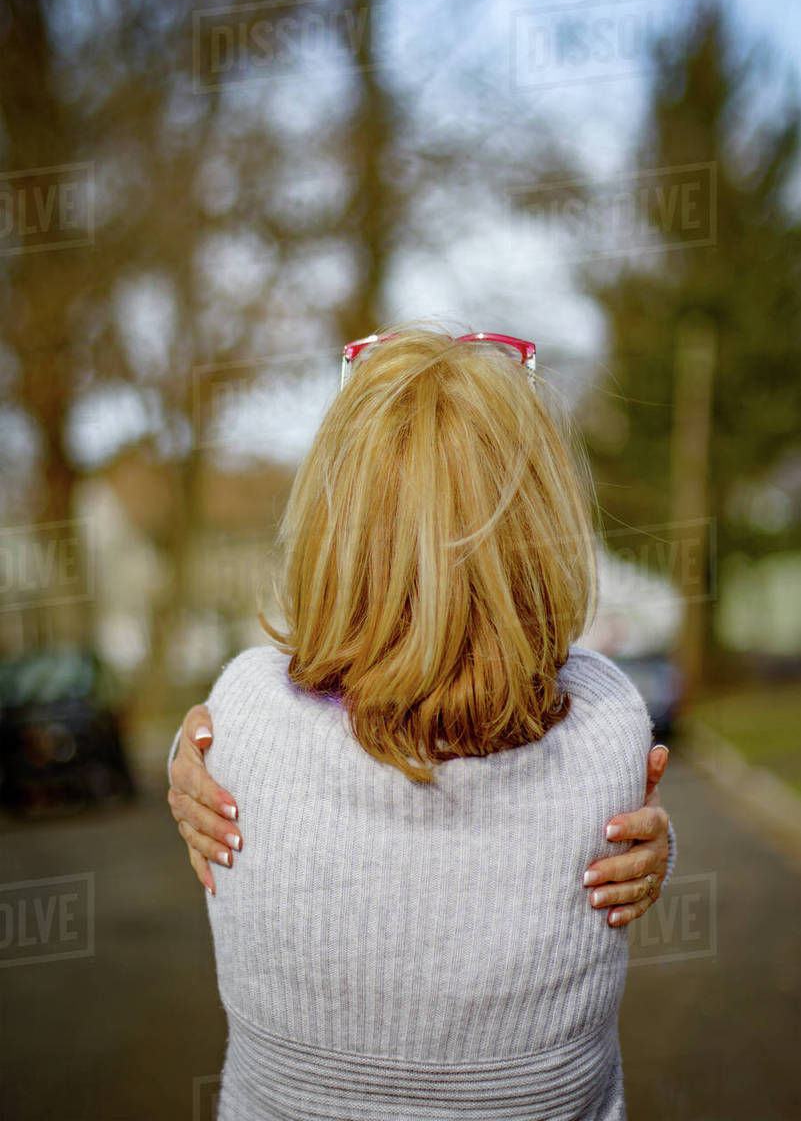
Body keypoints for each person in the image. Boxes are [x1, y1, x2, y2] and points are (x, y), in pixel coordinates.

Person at [167, 327, 677, 1120]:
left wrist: (186, 752)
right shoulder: (608, 720)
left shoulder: (241, 714)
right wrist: (658, 850)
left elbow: (234, 715)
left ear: (329, 525)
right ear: (540, 531)